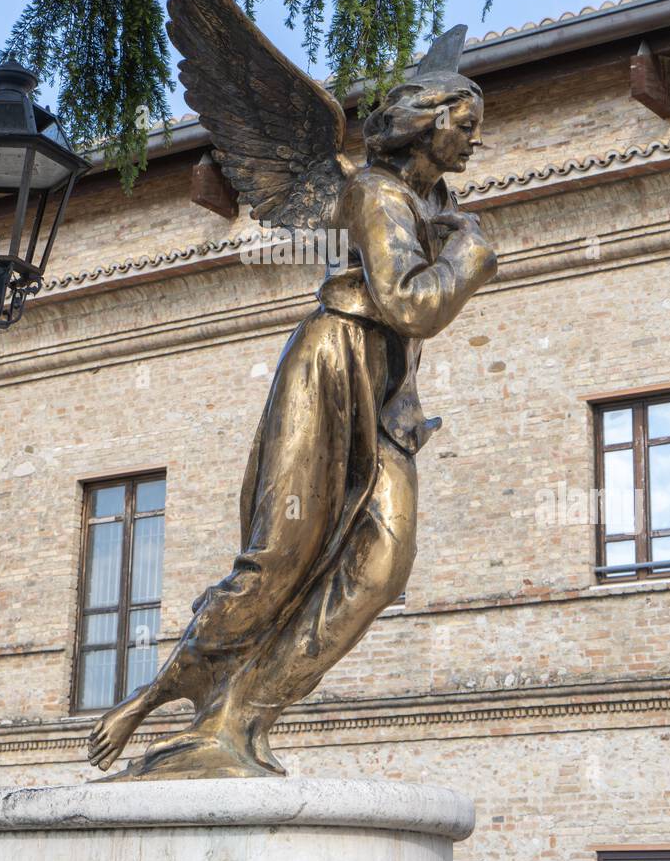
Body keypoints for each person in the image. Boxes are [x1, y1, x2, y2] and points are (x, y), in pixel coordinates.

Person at [89, 68, 496, 779]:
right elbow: (408, 305)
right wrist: (468, 258)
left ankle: (238, 719)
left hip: (387, 394)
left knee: (381, 566)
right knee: (278, 559)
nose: (476, 138)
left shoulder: (433, 196)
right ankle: (155, 697)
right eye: (466, 124)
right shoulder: (374, 192)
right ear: (427, 123)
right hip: (330, 365)